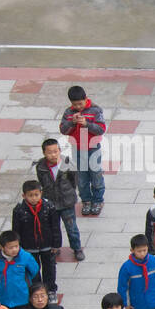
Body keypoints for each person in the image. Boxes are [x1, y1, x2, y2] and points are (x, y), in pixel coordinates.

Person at [34, 138, 84, 262]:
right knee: (52, 227)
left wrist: (69, 192)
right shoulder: (41, 166)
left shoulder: (67, 164)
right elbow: (41, 182)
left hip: (66, 201)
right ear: (44, 153)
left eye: (56, 151)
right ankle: (55, 248)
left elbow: (74, 181)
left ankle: (77, 248)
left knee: (71, 227)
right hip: (50, 202)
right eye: (50, 152)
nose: (53, 155)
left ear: (59, 151)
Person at [58, 86, 106, 215]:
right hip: (77, 148)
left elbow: (101, 129)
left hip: (93, 147)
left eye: (80, 103)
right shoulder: (68, 113)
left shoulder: (95, 110)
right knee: (82, 177)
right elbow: (63, 130)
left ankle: (97, 200)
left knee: (95, 174)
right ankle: (86, 200)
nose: (78, 107)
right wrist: (72, 123)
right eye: (75, 104)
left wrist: (87, 124)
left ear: (86, 99)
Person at [11, 181, 60, 301]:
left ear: (41, 194)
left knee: (49, 268)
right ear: (24, 196)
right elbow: (16, 230)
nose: (33, 198)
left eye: (36, 195)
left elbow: (55, 226)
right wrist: (18, 247)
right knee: (33, 270)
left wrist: (56, 244)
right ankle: (37, 292)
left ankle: (50, 290)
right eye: (30, 195)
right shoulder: (19, 210)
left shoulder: (49, 207)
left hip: (47, 245)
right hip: (29, 246)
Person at [0, 231, 39, 309]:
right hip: (5, 296)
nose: (14, 249)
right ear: (2, 247)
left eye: (16, 246)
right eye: (10, 247)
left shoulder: (26, 257)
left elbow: (34, 270)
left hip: (23, 297)